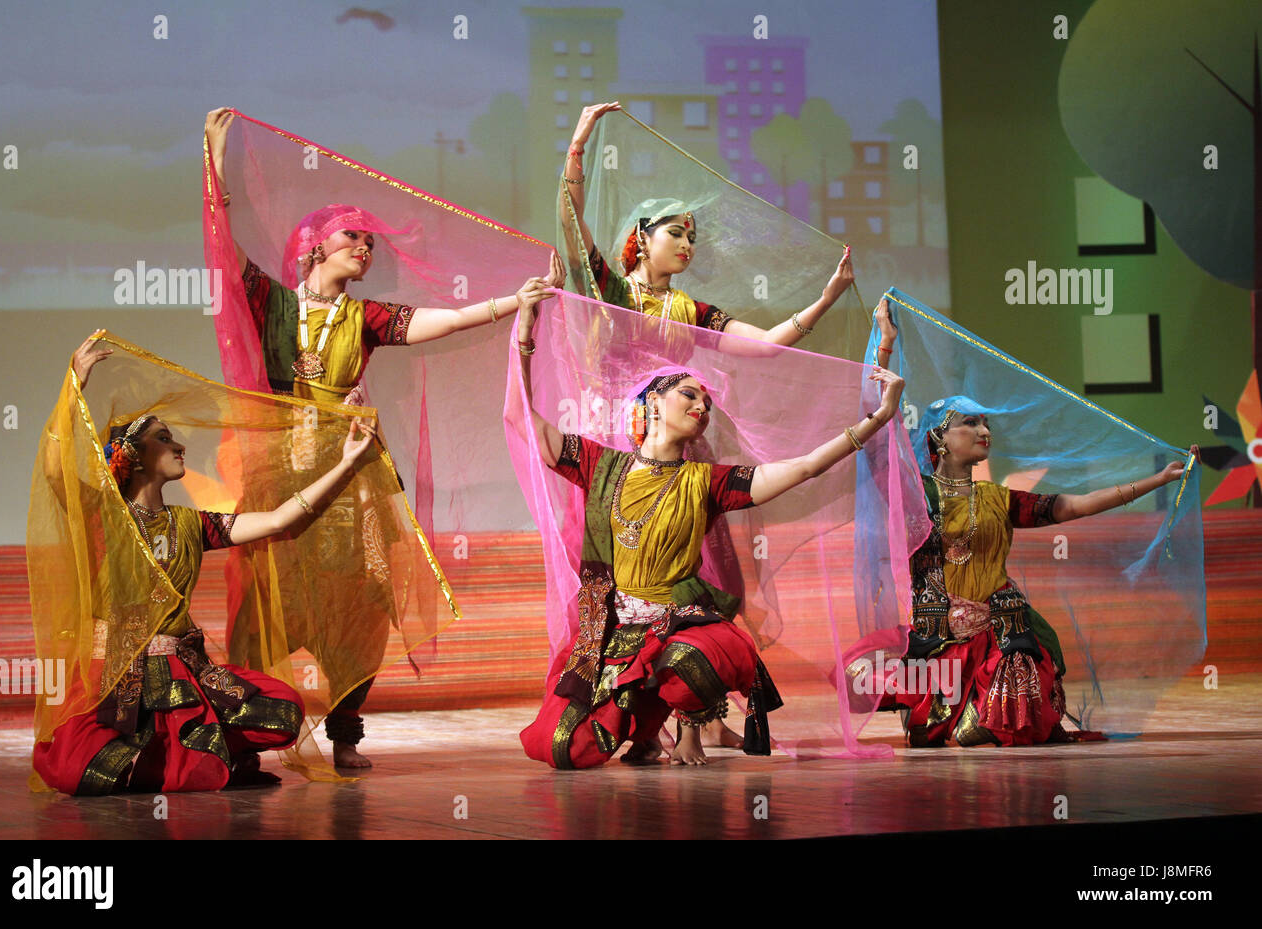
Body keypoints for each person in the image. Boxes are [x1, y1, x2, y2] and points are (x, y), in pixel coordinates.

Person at [204, 107, 562, 767]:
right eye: (353, 239)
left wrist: (517, 300)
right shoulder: (272, 303)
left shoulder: (364, 317)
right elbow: (223, 252)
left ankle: (344, 732)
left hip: (351, 476)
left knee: (363, 597)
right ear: (315, 246)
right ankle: (245, 734)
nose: (365, 250)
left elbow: (447, 321)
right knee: (266, 599)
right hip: (281, 469)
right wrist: (216, 166)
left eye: (369, 243)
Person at [512, 296, 906, 767]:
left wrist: (878, 418)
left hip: (677, 624)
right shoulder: (600, 464)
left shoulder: (709, 483)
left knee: (692, 657)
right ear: (652, 402)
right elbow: (523, 420)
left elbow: (803, 469)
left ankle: (689, 731)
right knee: (561, 748)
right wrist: (523, 339)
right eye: (689, 394)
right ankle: (646, 732)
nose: (702, 405)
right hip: (612, 632)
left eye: (706, 401)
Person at [32, 333, 377, 794]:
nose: (179, 447)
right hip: (117, 673)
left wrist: (347, 464)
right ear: (133, 457)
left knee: (284, 711)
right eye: (163, 439)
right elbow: (56, 470)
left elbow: (280, 518)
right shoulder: (104, 518)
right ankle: (173, 758)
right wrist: (74, 383)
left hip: (183, 669)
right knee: (76, 766)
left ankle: (176, 758)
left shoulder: (193, 524)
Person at [854, 300, 1195, 745]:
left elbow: (1077, 505)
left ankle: (976, 709)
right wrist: (885, 346)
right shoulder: (916, 495)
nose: (984, 431)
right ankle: (942, 704)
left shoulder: (999, 499)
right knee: (859, 672)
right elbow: (877, 438)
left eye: (986, 424)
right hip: (938, 635)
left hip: (1001, 631)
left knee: (992, 720)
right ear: (938, 435)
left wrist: (1156, 480)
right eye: (969, 424)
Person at [559, 102, 855, 343]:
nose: (686, 244)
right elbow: (572, 222)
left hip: (676, 413)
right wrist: (577, 146)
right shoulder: (612, 291)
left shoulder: (692, 313)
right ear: (643, 238)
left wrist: (826, 300)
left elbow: (766, 344)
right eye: (675, 233)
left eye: (691, 238)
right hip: (618, 415)